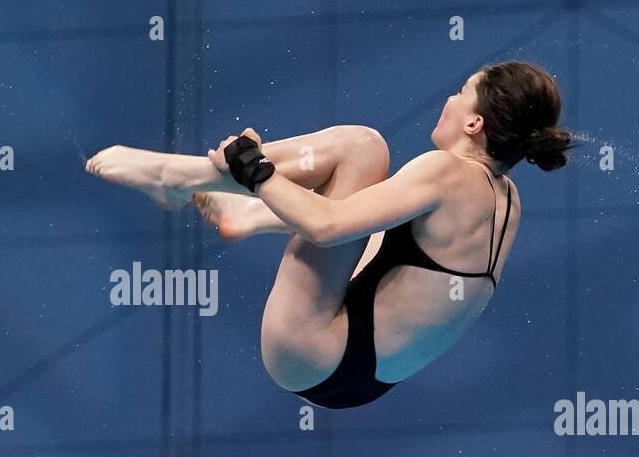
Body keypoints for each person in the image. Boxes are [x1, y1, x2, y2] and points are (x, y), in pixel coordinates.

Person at [86, 61, 574, 408]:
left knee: (362, 148)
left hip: (315, 350)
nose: (448, 99)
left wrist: (254, 170)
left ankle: (182, 178)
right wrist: (262, 191)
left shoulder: (447, 172)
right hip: (360, 380)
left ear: (474, 122)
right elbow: (370, 233)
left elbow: (325, 225)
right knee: (374, 209)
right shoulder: (506, 201)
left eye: (461, 92)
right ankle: (244, 213)